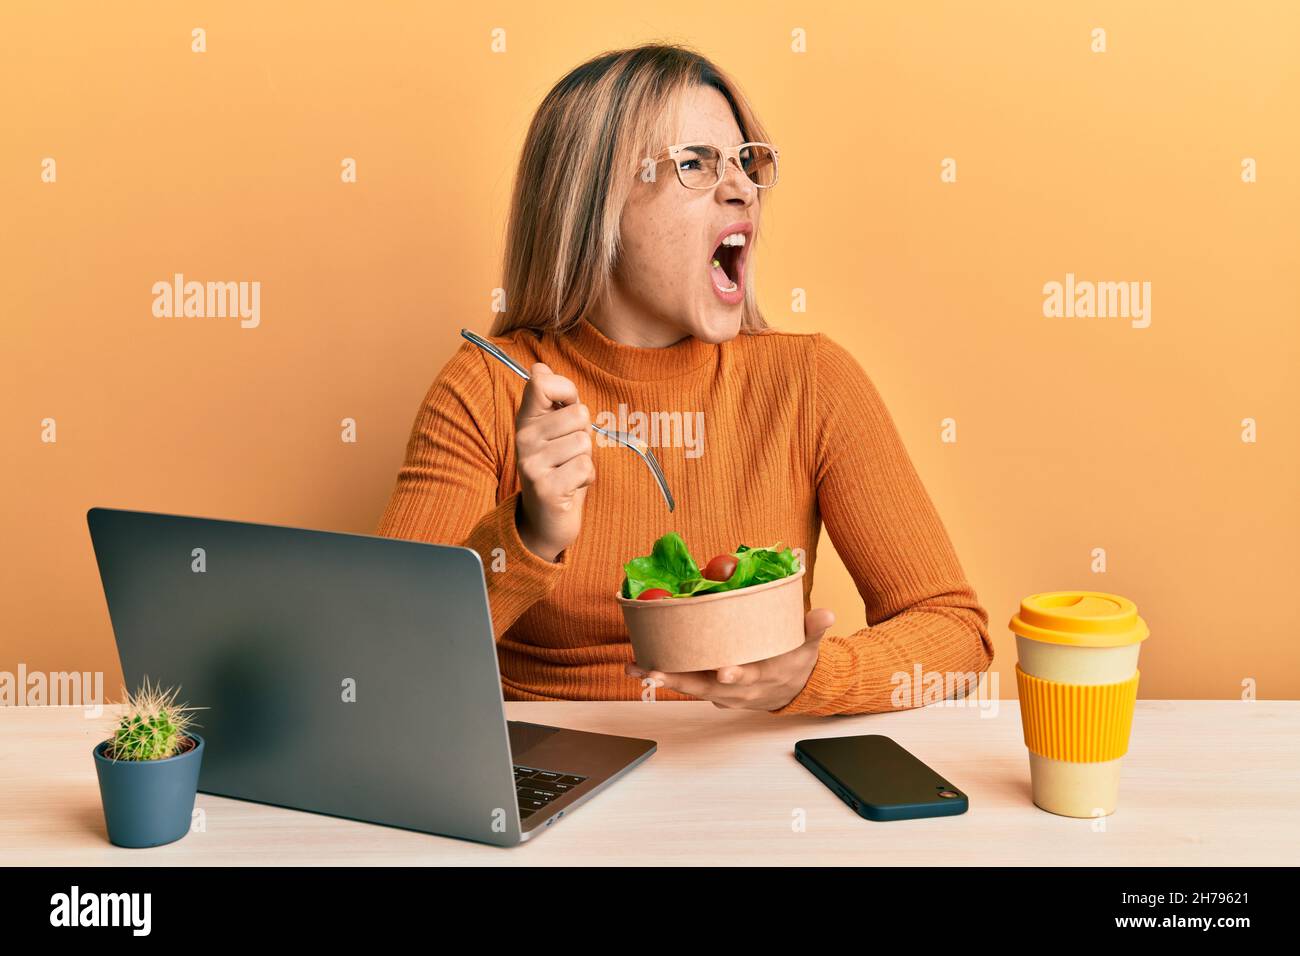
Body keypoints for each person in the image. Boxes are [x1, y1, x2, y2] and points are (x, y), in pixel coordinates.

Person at [376, 43, 994, 716]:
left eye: (746, 162)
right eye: (695, 164)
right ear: (591, 206)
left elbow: (956, 637)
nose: (742, 189)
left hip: (744, 778)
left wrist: (809, 678)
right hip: (542, 775)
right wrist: (530, 533)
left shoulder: (811, 382)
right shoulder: (486, 390)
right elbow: (380, 668)